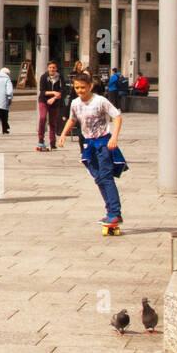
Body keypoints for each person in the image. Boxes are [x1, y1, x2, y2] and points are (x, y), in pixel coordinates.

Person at [58, 72, 126, 231]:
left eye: (83, 87)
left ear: (90, 86)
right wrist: (63, 135)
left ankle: (115, 212)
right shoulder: (75, 103)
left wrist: (114, 137)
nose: (80, 90)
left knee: (106, 177)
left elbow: (117, 116)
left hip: (103, 142)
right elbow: (72, 119)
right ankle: (111, 211)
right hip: (88, 144)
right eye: (77, 87)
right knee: (98, 178)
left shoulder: (100, 101)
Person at [37, 61, 64, 151]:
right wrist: (52, 93)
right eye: (50, 68)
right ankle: (41, 138)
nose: (52, 69)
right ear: (48, 68)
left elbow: (62, 90)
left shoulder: (60, 77)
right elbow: (42, 91)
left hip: (55, 102)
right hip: (44, 100)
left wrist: (54, 98)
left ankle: (52, 142)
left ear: (56, 69)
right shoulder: (44, 77)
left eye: (53, 68)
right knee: (43, 117)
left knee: (53, 122)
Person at [0, 66, 14, 134]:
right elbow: (9, 91)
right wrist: (10, 98)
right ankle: (4, 129)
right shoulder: (7, 80)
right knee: (4, 116)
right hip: (4, 100)